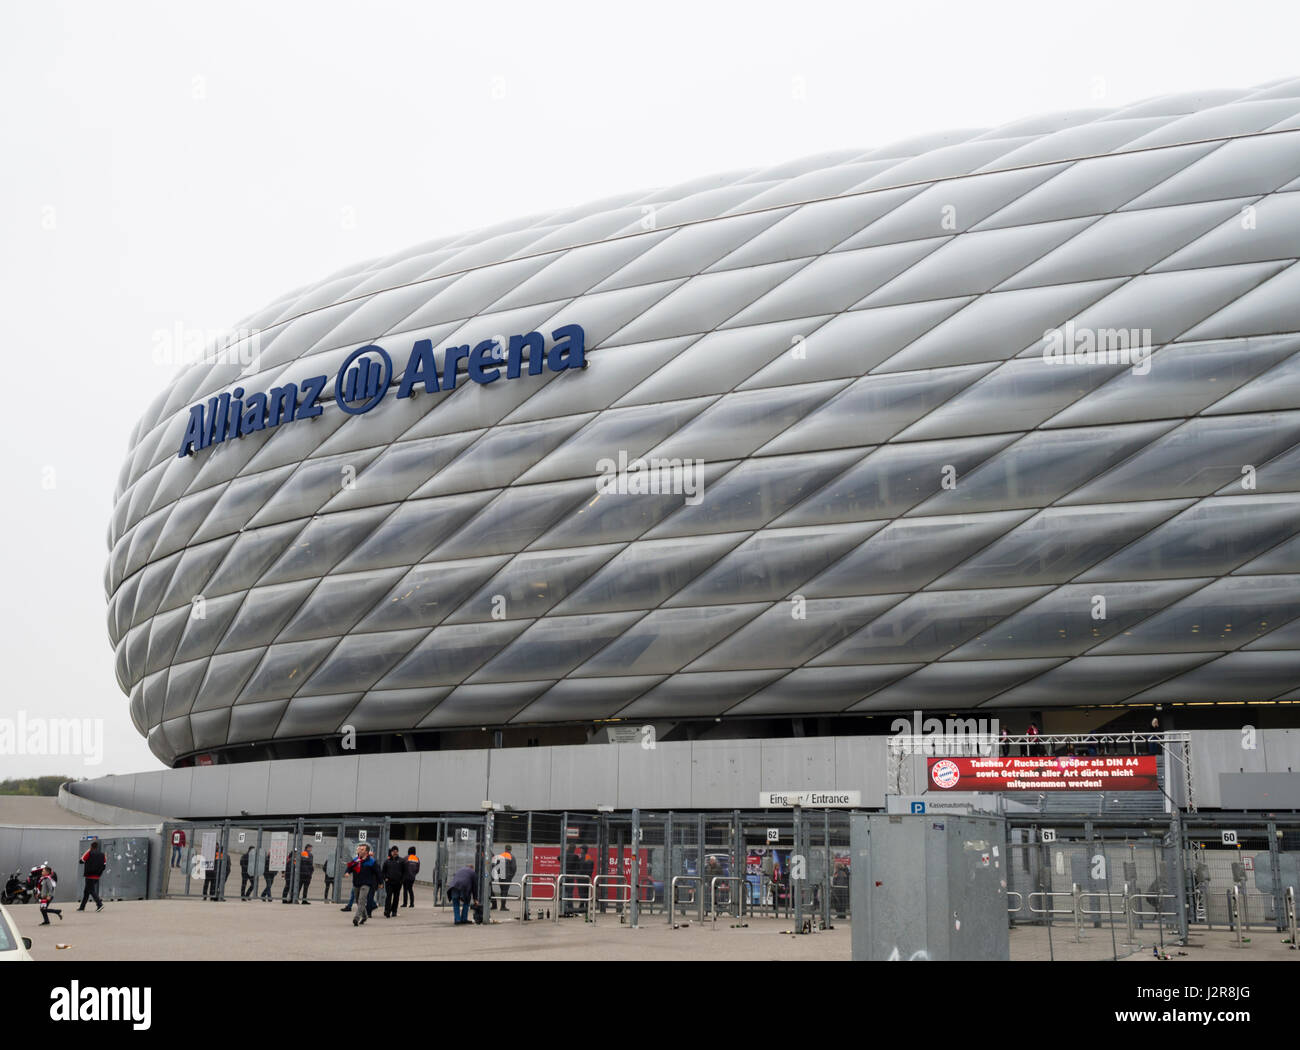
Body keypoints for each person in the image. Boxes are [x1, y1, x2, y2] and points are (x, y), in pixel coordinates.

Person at [347, 843, 379, 925]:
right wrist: (347, 872)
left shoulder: (372, 861)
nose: (360, 850)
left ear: (367, 852)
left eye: (362, 849)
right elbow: (350, 867)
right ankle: (365, 916)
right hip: (356, 883)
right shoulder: (356, 860)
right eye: (359, 849)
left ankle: (356, 918)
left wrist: (380, 882)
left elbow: (378, 872)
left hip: (366, 884)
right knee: (358, 901)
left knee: (361, 900)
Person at [78, 839, 106, 912]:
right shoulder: (102, 855)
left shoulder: (89, 853)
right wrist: (99, 872)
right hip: (97, 876)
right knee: (86, 891)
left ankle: (99, 904)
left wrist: (87, 851)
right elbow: (104, 865)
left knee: (91, 890)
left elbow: (81, 861)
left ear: (91, 846)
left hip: (89, 876)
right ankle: (82, 907)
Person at [382, 846, 406, 918]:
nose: (395, 853)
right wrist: (385, 878)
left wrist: (401, 881)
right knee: (388, 896)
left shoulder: (401, 861)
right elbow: (383, 872)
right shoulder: (387, 861)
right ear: (391, 852)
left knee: (396, 897)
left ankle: (394, 911)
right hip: (389, 882)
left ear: (397, 852)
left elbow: (404, 872)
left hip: (398, 883)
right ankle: (387, 911)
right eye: (393, 851)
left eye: (396, 851)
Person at [491, 845, 515, 912]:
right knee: (505, 891)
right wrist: (511, 876)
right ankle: (503, 906)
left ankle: (502, 906)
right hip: (507, 876)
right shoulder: (512, 857)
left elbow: (496, 866)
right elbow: (514, 868)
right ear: (510, 849)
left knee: (502, 891)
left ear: (505, 849)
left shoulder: (500, 856)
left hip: (501, 876)